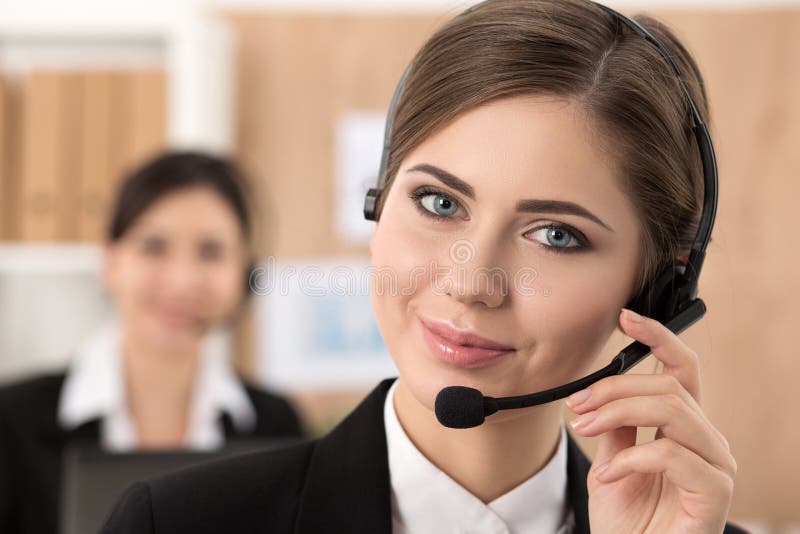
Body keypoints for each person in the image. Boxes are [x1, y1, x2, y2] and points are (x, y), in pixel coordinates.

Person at [100, 1, 747, 532]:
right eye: (439, 202)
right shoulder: (175, 522)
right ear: (380, 203)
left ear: (658, 288)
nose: (470, 284)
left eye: (555, 235)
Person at [0, 151, 304, 534]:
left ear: (243, 272)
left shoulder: (275, 427)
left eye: (211, 252)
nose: (181, 281)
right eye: (154, 247)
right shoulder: (12, 423)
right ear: (110, 261)